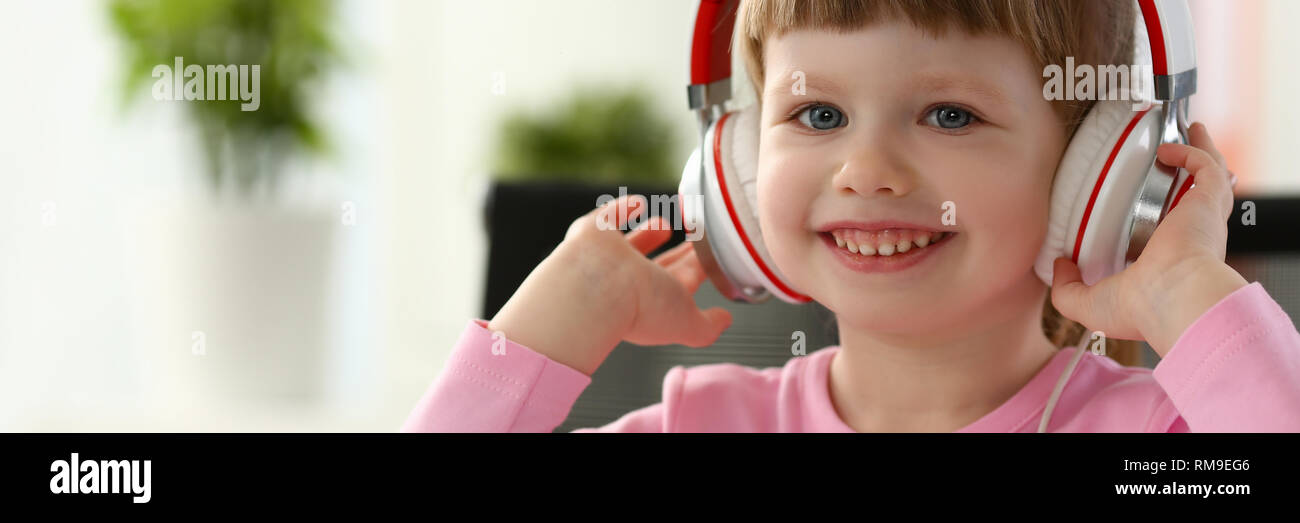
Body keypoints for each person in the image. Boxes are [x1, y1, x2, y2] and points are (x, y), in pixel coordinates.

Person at [401, 0, 1300, 432]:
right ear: (741, 171)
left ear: (1092, 174)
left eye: (950, 114)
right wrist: (552, 326)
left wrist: (1184, 288)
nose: (866, 171)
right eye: (818, 115)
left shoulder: (1158, 443)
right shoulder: (703, 426)